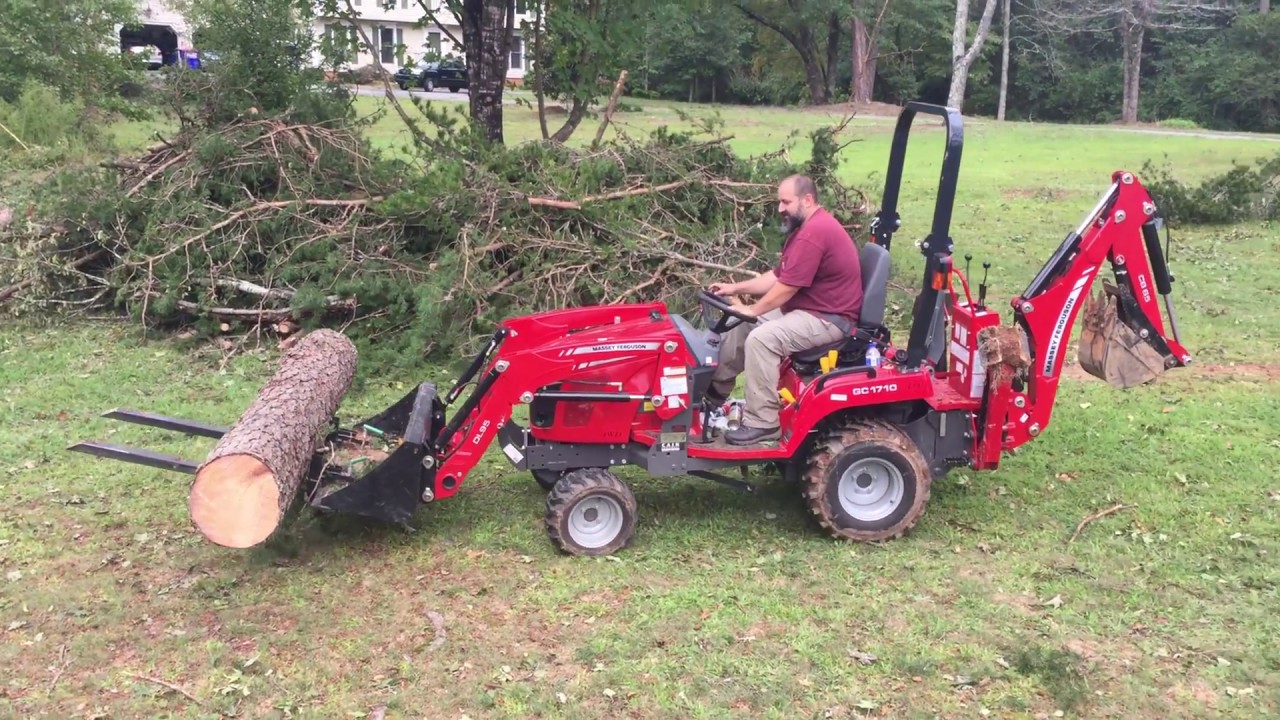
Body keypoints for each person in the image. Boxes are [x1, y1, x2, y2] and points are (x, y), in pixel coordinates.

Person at [706, 174, 864, 445]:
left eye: (785, 202)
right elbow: (777, 276)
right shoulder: (806, 229)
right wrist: (734, 289)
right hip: (809, 309)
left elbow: (786, 289)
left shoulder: (816, 233)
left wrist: (753, 309)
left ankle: (763, 422)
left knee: (762, 338)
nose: (780, 208)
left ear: (808, 200)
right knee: (741, 323)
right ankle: (711, 397)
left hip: (829, 318)